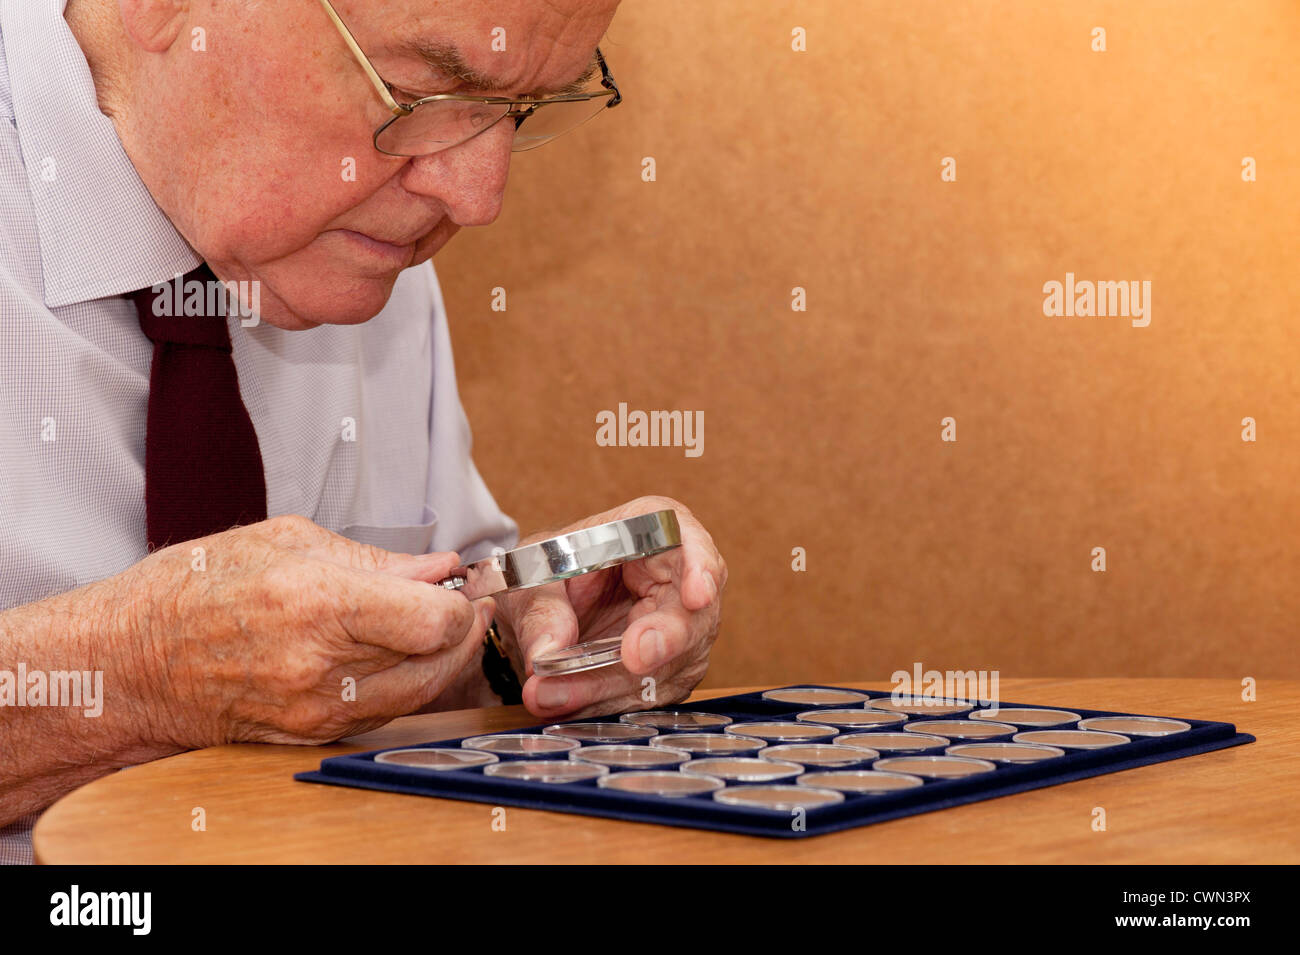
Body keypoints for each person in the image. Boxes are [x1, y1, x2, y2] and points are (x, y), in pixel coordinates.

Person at [0, 0, 726, 864]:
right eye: (424, 92)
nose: (477, 196)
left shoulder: (355, 248)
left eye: (520, 110)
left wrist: (514, 643)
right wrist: (142, 676)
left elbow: (359, 685)